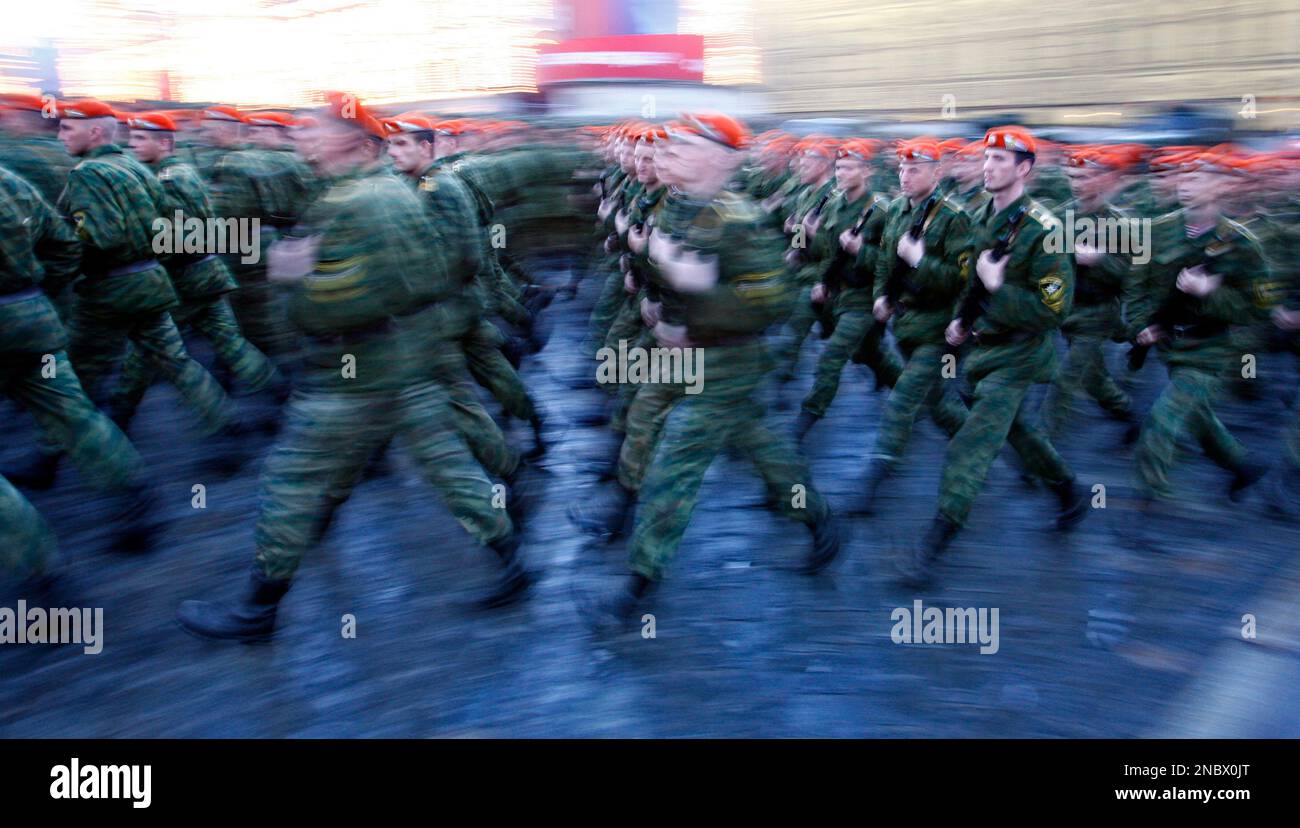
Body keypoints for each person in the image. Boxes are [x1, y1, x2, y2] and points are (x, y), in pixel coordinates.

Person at [176, 94, 533, 643]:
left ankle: (258, 608)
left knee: (293, 478)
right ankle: (512, 560)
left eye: (316, 128)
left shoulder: (356, 202)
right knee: (444, 466)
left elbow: (342, 303)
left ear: (359, 144)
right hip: (400, 363)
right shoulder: (385, 191)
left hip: (356, 374)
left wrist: (293, 279)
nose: (304, 136)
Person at [902, 126, 1087, 586]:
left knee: (975, 440)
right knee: (1019, 430)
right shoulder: (982, 215)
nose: (989, 167)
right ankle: (1068, 491)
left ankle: (935, 541)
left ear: (1024, 169)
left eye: (1001, 161)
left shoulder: (1045, 230)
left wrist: (999, 287)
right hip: (984, 346)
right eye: (987, 158)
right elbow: (972, 279)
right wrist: (962, 320)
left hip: (1021, 353)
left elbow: (1053, 311)